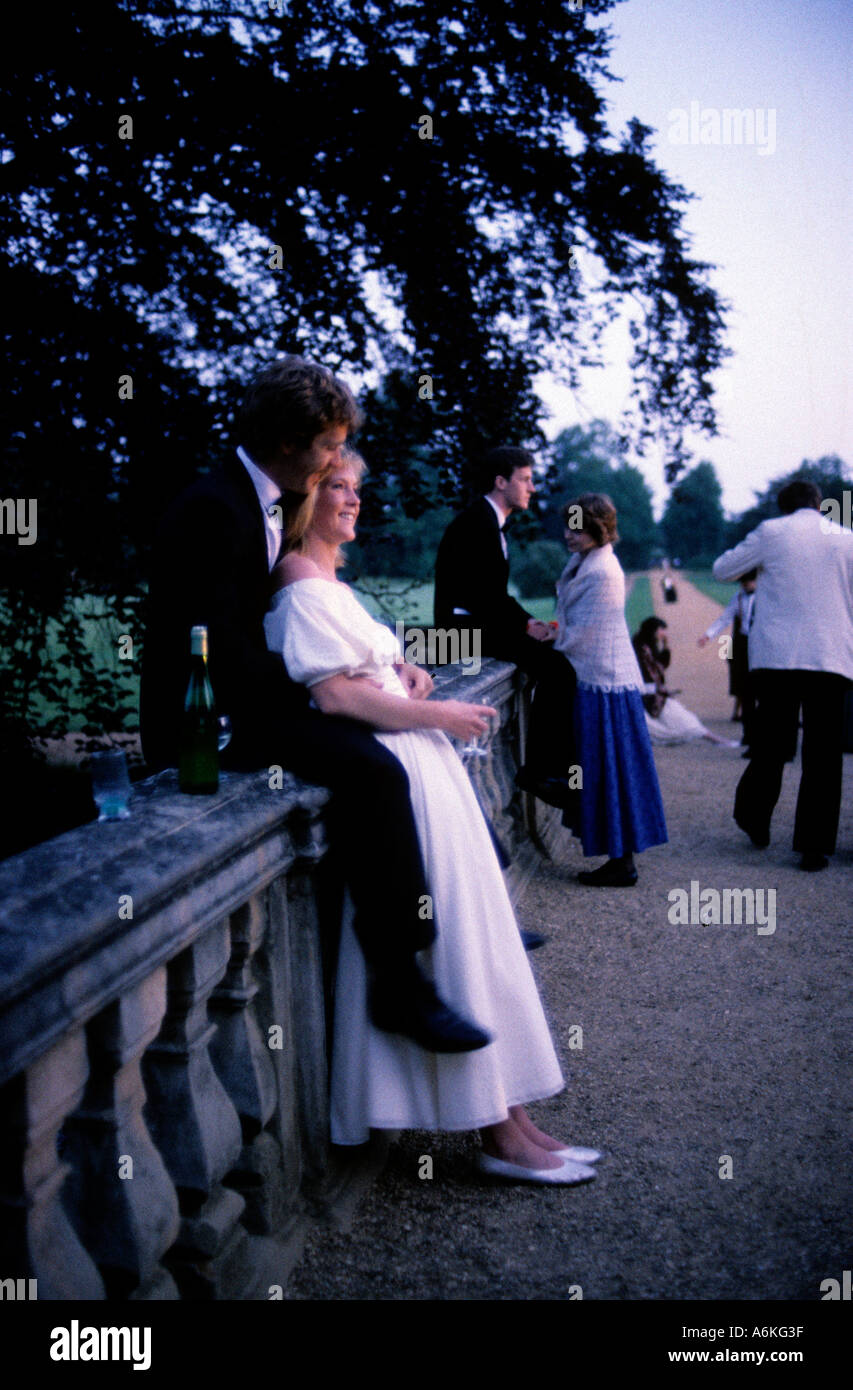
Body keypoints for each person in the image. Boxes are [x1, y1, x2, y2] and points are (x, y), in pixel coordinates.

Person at [264, 453, 602, 1184]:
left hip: (424, 769)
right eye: (335, 488)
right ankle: (496, 1135)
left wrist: (408, 673)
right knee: (451, 948)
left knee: (476, 942)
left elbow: (365, 675)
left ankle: (513, 1119)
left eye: (357, 485)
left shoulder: (331, 584)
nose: (353, 499)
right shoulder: (296, 585)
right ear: (302, 500)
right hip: (405, 773)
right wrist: (435, 711)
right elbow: (338, 699)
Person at [140, 356, 488, 1054]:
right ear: (287, 439)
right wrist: (323, 687)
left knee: (387, 747)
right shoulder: (216, 506)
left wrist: (373, 670)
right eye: (329, 445)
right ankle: (399, 980)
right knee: (373, 770)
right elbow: (213, 644)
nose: (337, 458)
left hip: (250, 696)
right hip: (212, 720)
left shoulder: (262, 498)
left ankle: (471, 915)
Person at [712, 479, 853, 870]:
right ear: (819, 504)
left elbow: (723, 570)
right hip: (830, 656)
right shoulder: (847, 539)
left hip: (777, 657)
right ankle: (814, 845)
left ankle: (754, 816)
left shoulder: (771, 532)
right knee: (824, 754)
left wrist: (762, 561)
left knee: (772, 743)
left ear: (783, 506)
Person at [434, 446, 577, 809]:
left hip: (479, 623)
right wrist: (523, 628)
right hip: (465, 633)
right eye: (525, 479)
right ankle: (542, 772)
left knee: (554, 662)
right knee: (558, 670)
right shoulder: (477, 523)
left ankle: (545, 768)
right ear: (501, 482)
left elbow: (492, 595)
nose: (532, 488)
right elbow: (482, 599)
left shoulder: (488, 521)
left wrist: (529, 622)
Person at [553, 495, 667, 887]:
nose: (569, 534)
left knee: (610, 771)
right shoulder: (585, 562)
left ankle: (622, 863)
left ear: (599, 528)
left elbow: (585, 636)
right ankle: (620, 861)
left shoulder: (602, 571)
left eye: (578, 527)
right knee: (605, 771)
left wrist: (547, 644)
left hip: (605, 684)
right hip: (598, 680)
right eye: (567, 525)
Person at [634, 618, 739, 747]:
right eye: (661, 630)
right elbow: (653, 671)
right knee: (685, 721)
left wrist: (666, 645)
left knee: (685, 720)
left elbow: (662, 665)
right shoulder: (642, 649)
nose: (664, 633)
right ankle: (718, 741)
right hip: (649, 696)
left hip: (654, 695)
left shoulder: (648, 645)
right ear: (652, 631)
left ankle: (717, 740)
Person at [698, 571, 758, 748]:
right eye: (743, 582)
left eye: (749, 581)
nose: (745, 584)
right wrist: (708, 635)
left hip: (760, 644)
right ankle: (748, 734)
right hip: (740, 644)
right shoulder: (738, 598)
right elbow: (724, 619)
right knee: (743, 686)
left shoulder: (765, 596)